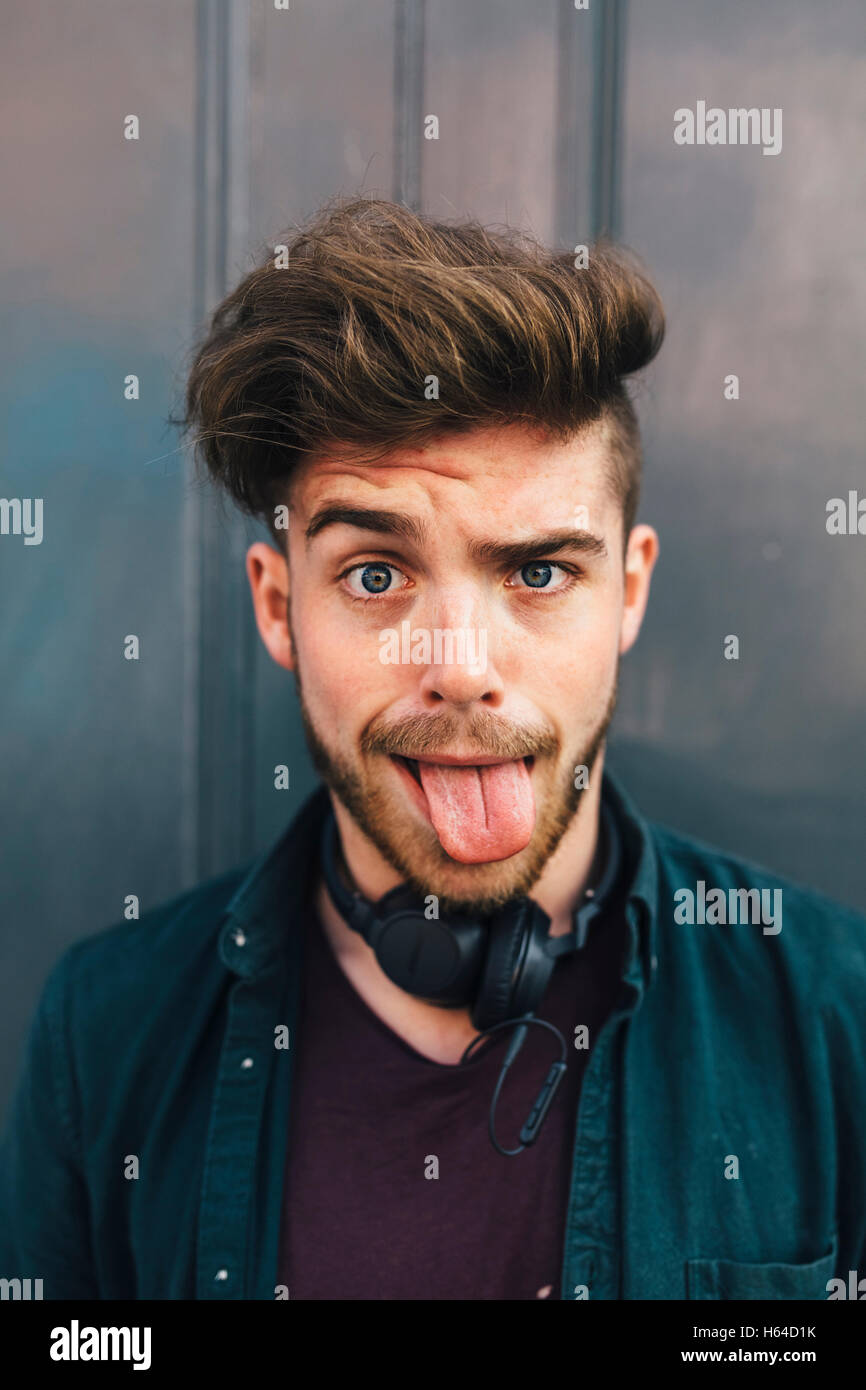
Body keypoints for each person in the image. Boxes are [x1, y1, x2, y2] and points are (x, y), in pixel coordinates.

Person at [1, 197, 864, 1301]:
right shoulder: (105, 1033)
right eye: (375, 575)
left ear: (628, 591)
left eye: (537, 573)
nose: (457, 662)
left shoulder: (834, 1015)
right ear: (278, 607)